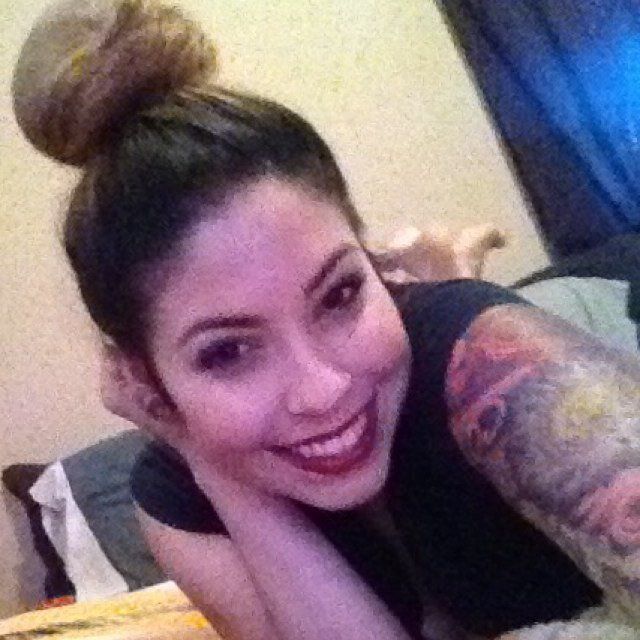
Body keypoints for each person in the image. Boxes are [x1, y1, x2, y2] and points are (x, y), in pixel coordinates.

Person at [12, 1, 640, 638]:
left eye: (339, 294)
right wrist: (213, 463)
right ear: (146, 378)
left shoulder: (485, 362)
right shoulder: (175, 495)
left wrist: (456, 289)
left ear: (372, 262)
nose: (324, 390)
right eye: (227, 351)